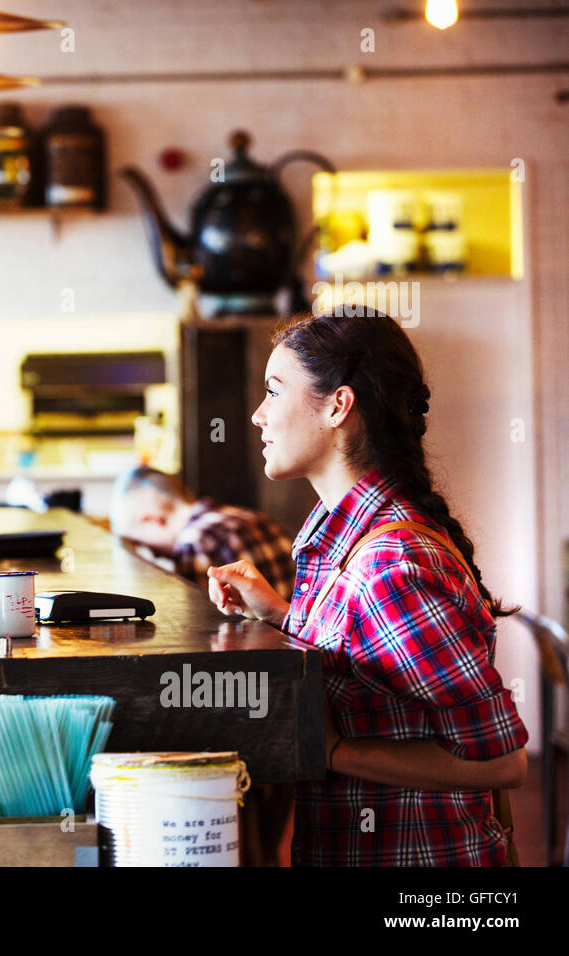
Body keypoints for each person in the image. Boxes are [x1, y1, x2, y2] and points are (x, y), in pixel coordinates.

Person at [207, 308, 527, 866]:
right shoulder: (341, 535)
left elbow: (501, 762)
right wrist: (280, 614)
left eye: (273, 391)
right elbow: (372, 662)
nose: (258, 415)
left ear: (338, 406)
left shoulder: (390, 562)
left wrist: (334, 750)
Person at [110, 466, 296, 600]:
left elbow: (199, 623)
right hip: (294, 641)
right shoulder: (252, 517)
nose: (149, 550)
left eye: (138, 541)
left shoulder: (194, 542)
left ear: (152, 519)